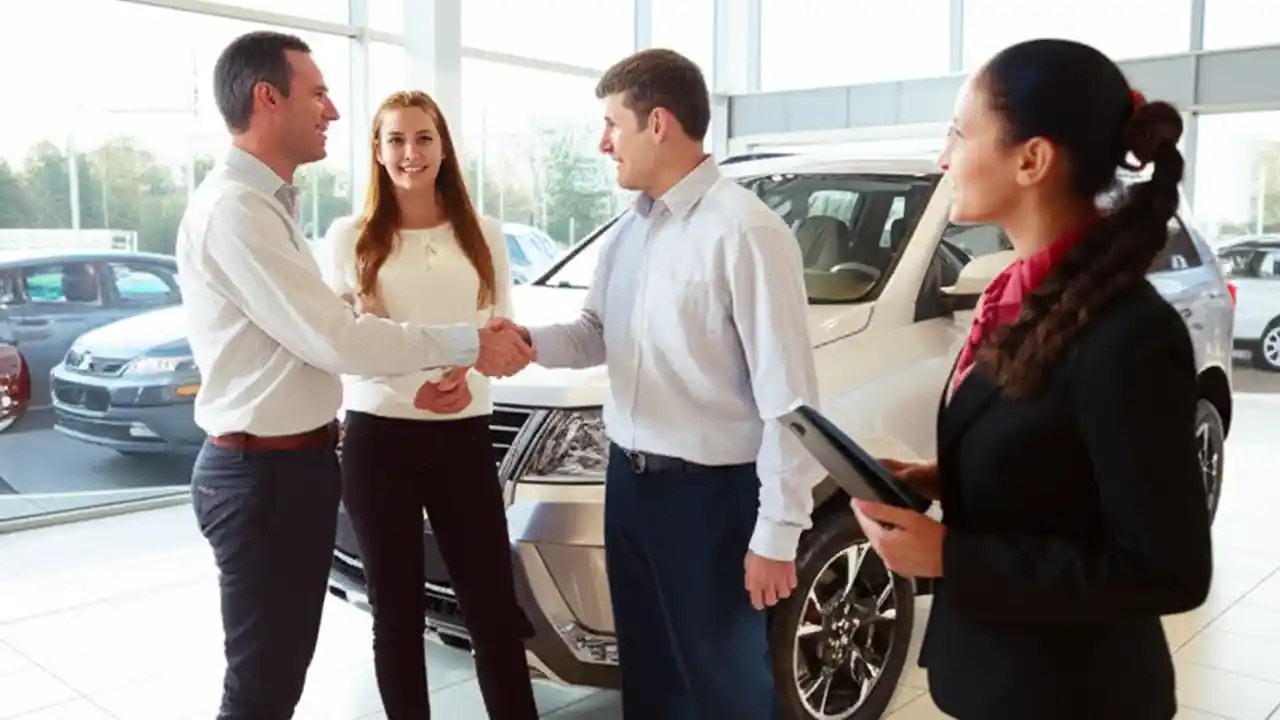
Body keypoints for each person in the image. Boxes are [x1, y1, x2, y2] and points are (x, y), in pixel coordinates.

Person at [850, 39, 1213, 719]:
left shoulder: (1130, 334)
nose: (944, 157)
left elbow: (1168, 568)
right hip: (996, 676)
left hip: (1076, 696)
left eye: (959, 132)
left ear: (1032, 159)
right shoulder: (1022, 295)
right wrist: (939, 476)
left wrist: (954, 558)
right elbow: (1058, 463)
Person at [174, 32, 533, 720]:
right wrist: (460, 346)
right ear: (267, 97)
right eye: (317, 93)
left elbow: (315, 327)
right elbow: (335, 338)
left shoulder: (271, 206)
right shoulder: (239, 210)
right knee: (264, 686)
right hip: (273, 470)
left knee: (273, 681)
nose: (331, 110)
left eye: (425, 137)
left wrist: (454, 359)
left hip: (300, 465)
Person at [495, 48, 825, 719]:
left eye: (613, 123)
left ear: (659, 123)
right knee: (649, 681)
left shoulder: (746, 233)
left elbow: (790, 399)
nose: (602, 142)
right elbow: (594, 333)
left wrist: (777, 533)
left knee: (726, 688)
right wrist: (524, 346)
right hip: (630, 486)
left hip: (712, 499)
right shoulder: (631, 231)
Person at [320, 90, 539, 720]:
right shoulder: (350, 237)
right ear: (378, 152)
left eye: (423, 138)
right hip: (377, 438)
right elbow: (341, 340)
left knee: (492, 609)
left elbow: (502, 325)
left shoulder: (483, 234)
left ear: (443, 146)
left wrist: (465, 368)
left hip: (464, 434)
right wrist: (405, 386)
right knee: (396, 614)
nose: (410, 153)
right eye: (396, 140)